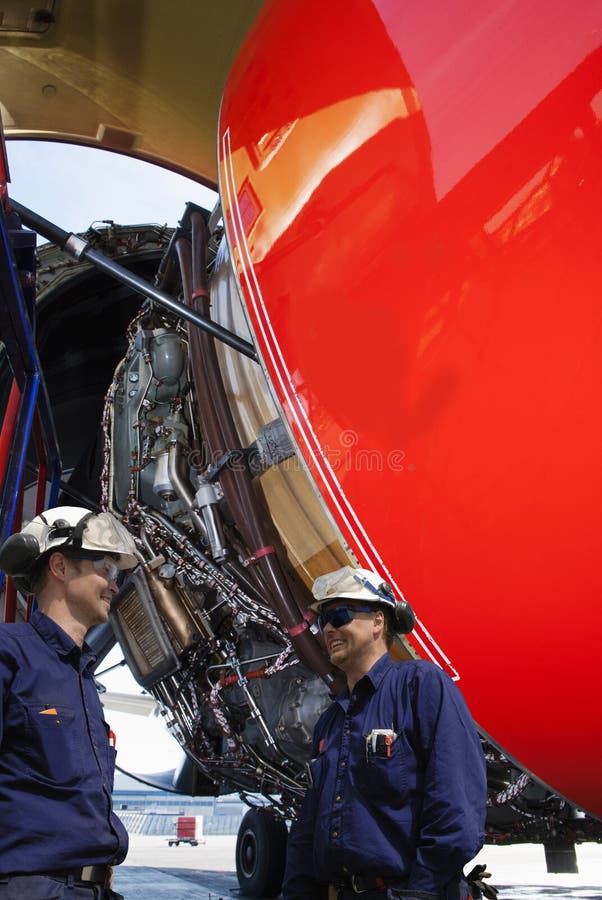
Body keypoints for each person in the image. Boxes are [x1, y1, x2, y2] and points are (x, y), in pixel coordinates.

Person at [283, 566, 488, 900]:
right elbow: (308, 826)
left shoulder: (421, 686)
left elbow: (456, 811)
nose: (328, 629)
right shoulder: (329, 722)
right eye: (323, 622)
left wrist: (418, 892)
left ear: (378, 621)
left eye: (339, 615)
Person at [0, 506, 138, 899]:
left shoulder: (82, 680)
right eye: (105, 568)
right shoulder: (10, 654)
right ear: (60, 566)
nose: (114, 584)